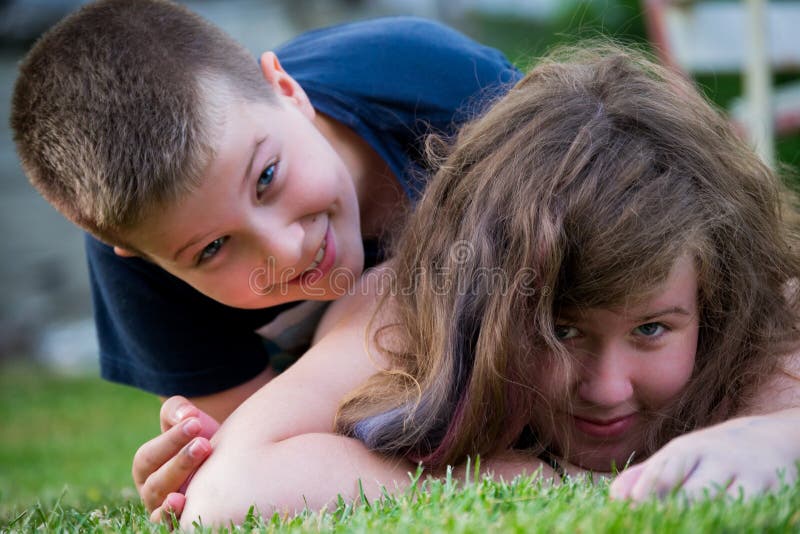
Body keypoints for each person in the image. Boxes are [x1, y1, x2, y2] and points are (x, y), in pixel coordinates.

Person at [174, 44, 800, 527]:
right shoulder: (414, 302)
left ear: (714, 300)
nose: (606, 389)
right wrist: (550, 479)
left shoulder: (761, 314)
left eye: (652, 328)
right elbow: (230, 492)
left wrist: (772, 437)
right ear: (479, 303)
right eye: (561, 330)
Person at [9, 0, 521, 519]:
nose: (286, 250)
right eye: (212, 248)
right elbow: (278, 451)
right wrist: (207, 466)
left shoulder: (441, 82)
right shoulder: (141, 270)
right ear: (143, 256)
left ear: (286, 89)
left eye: (266, 178)